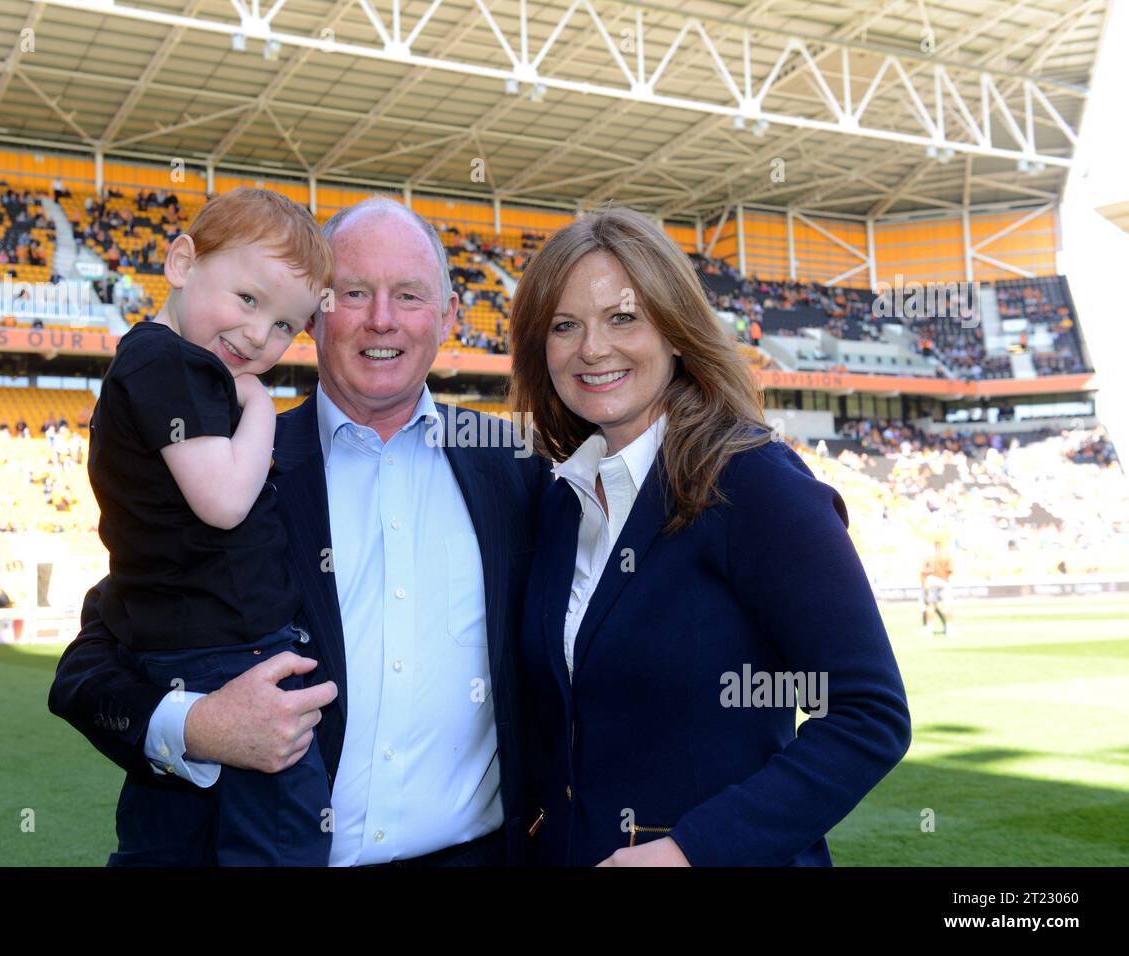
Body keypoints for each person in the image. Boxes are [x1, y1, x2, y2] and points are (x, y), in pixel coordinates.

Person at [50, 196, 547, 867]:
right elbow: (86, 672)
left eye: (408, 295)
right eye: (353, 293)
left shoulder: (514, 466)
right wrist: (198, 726)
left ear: (450, 316)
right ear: (315, 314)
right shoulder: (232, 459)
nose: (381, 319)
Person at [508, 207, 911, 866]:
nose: (592, 348)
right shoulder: (560, 501)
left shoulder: (753, 480)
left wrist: (691, 852)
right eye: (564, 326)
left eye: (623, 317)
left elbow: (869, 714)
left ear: (675, 330)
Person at [80, 187, 333, 866]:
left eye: (285, 326)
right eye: (249, 300)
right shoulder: (172, 363)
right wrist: (257, 405)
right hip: (232, 650)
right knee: (282, 842)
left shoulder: (159, 363)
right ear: (182, 261)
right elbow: (224, 501)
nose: (259, 336)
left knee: (167, 843)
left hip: (179, 649)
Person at [919, 540, 953, 637]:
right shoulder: (946, 556)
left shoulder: (928, 557)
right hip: (943, 582)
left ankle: (929, 629)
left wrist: (924, 584)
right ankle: (949, 630)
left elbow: (923, 571)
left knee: (931, 606)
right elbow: (950, 570)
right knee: (947, 606)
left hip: (931, 582)